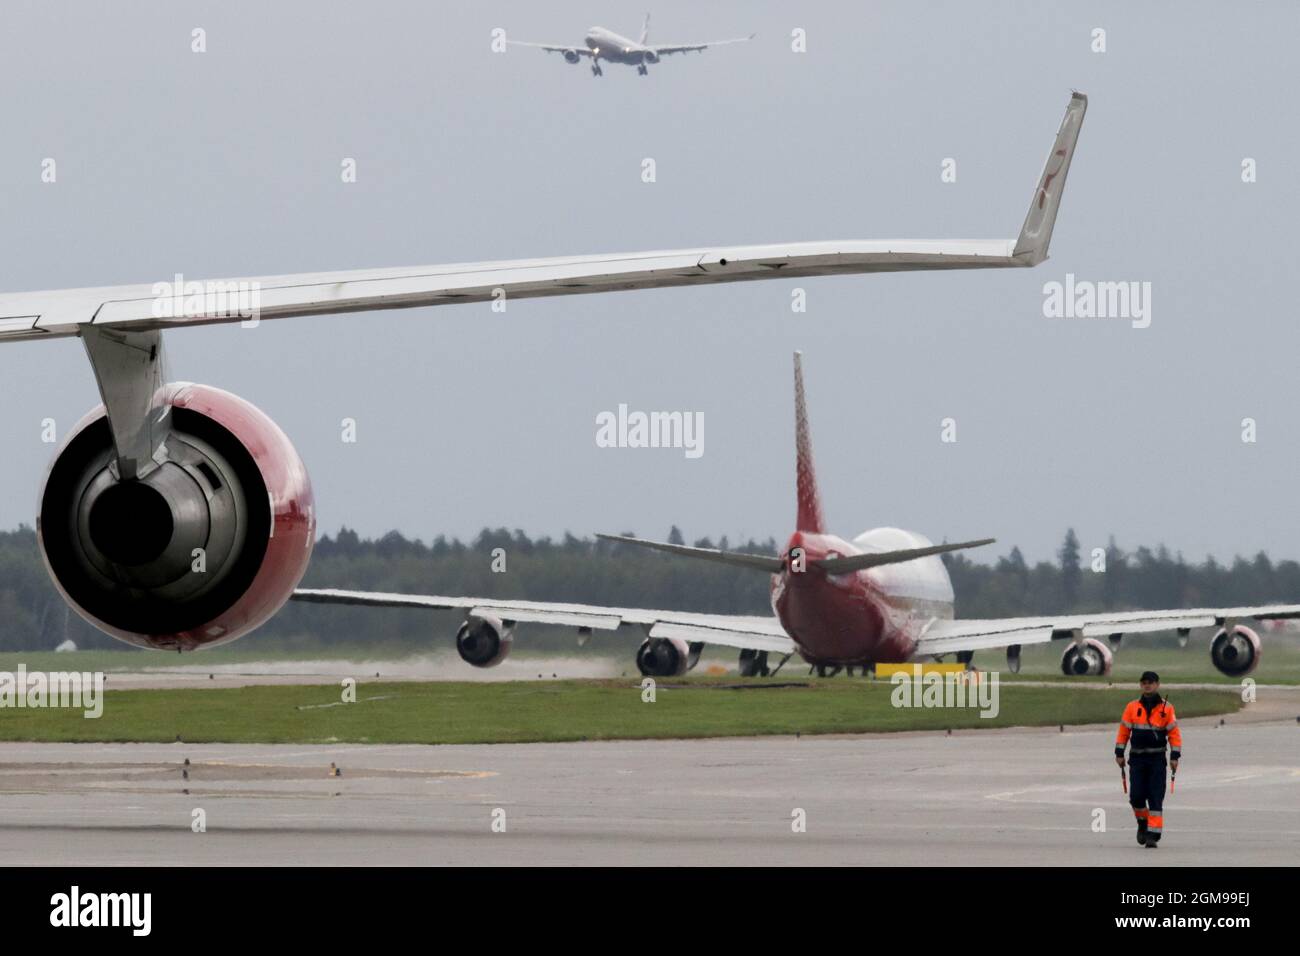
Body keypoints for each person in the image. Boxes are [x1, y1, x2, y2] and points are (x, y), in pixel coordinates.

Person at [1114, 671, 1181, 847]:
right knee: (1136, 797)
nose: (1147, 685)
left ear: (1157, 684)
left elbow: (1174, 734)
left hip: (1157, 759)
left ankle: (1153, 836)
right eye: (1144, 682)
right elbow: (1123, 732)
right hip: (1137, 759)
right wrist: (1119, 753)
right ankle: (1142, 823)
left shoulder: (1167, 708)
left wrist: (1175, 756)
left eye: (1150, 682)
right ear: (1140, 685)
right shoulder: (1131, 707)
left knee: (1155, 796)